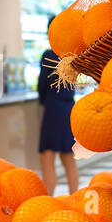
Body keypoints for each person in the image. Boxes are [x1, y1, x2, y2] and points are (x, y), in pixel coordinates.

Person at [37, 18, 79, 196]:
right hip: (70, 108)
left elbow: (42, 86)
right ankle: (75, 197)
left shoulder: (48, 55)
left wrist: (43, 100)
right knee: (68, 157)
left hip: (53, 108)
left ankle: (49, 199)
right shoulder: (73, 56)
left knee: (47, 157)